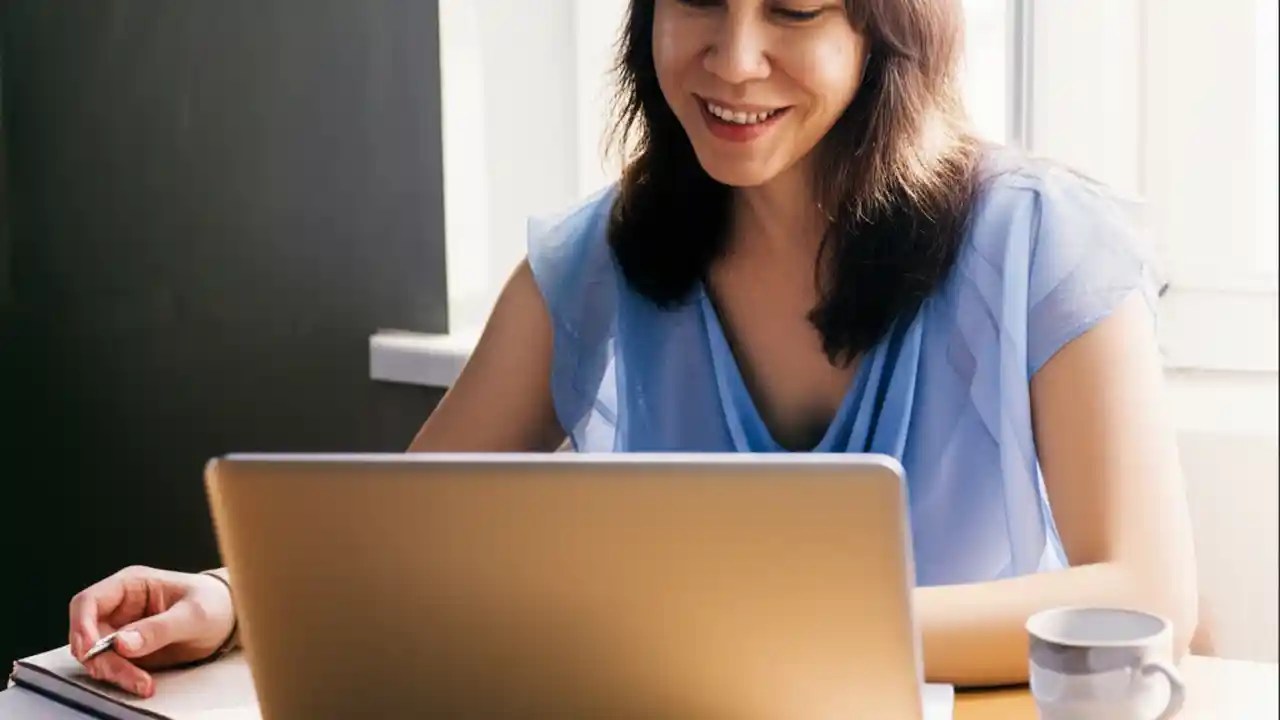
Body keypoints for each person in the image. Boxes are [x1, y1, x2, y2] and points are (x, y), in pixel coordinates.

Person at [66, 0, 1199, 698]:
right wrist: (229, 601)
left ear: (884, 29)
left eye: (795, 8)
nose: (732, 57)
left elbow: (1148, 594)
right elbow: (396, 534)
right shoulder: (595, 256)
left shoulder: (1040, 238)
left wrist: (729, 636)